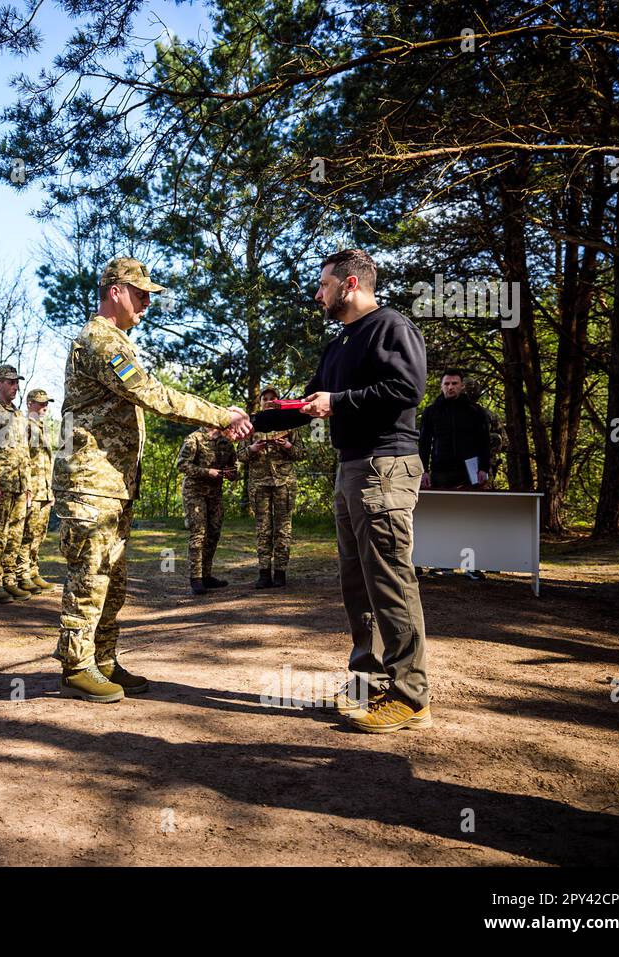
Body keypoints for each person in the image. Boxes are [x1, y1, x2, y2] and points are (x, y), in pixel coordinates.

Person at [53, 257, 251, 703]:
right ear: (115, 291)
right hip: (90, 482)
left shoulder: (116, 339)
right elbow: (153, 394)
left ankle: (102, 660)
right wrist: (221, 415)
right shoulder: (101, 340)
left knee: (113, 577)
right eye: (141, 294)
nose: (146, 303)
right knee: (90, 573)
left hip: (112, 483)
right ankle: (76, 666)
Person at [302, 248, 431, 733]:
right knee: (356, 581)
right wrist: (253, 419)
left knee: (389, 578)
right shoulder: (339, 342)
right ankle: (368, 680)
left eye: (324, 285)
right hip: (350, 467)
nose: (319, 294)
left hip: (386, 465)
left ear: (350, 283)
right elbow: (311, 399)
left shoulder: (392, 327)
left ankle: (411, 696)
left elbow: (406, 390)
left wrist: (338, 401)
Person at [237, 387, 305, 589]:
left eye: (272, 398)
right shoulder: (251, 424)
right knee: (263, 529)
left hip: (284, 484)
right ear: (259, 402)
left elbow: (302, 454)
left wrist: (288, 447)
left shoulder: (290, 423)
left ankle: (281, 573)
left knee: (283, 529)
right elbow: (239, 455)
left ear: (278, 401)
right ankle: (264, 573)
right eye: (264, 398)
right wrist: (252, 449)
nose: (268, 401)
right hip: (259, 485)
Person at [0, 364, 32, 603]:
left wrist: (29, 485)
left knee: (15, 534)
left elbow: (24, 453)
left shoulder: (19, 414)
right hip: (1, 484)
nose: (15, 387)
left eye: (16, 382)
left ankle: (9, 579)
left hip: (20, 484)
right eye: (10, 382)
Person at [176, 425, 237, 594]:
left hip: (215, 494)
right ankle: (196, 579)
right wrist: (206, 472)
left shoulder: (226, 442)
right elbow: (182, 465)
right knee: (198, 533)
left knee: (214, 533)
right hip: (194, 493)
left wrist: (232, 474)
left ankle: (206, 575)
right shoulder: (194, 438)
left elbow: (233, 466)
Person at [419, 369, 491, 490]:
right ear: (441, 386)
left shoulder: (475, 411)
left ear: (462, 386)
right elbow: (424, 443)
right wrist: (423, 471)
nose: (450, 387)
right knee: (441, 507)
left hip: (469, 472)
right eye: (446, 384)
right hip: (440, 471)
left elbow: (484, 442)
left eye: (454, 383)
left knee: (469, 507)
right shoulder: (431, 411)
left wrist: (483, 468)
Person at [20, 388, 56, 592]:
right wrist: (26, 488)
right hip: (31, 490)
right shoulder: (24, 426)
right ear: (29, 404)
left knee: (39, 535)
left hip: (43, 491)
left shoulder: (42, 428)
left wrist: (50, 491)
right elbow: (22, 459)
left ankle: (33, 571)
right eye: (40, 403)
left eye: (46, 403)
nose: (44, 407)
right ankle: (22, 574)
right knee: (26, 535)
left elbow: (46, 462)